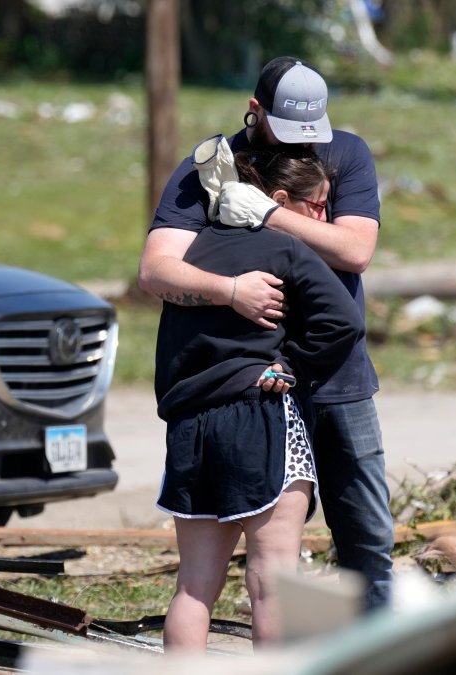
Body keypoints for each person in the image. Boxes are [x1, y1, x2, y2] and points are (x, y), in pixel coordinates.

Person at [138, 56, 394, 613]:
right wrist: (229, 291)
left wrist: (267, 216)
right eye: (289, 132)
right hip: (251, 387)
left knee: (368, 538)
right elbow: (157, 270)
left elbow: (356, 250)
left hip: (335, 378)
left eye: (313, 134)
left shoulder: (345, 153)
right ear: (255, 111)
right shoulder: (207, 169)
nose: (304, 148)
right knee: (267, 560)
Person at [155, 144, 363, 650]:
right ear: (277, 199)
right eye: (317, 206)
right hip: (261, 415)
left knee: (194, 585)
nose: (322, 219)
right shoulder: (287, 249)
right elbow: (345, 323)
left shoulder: (194, 255)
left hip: (190, 425)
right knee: (272, 583)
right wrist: (290, 365)